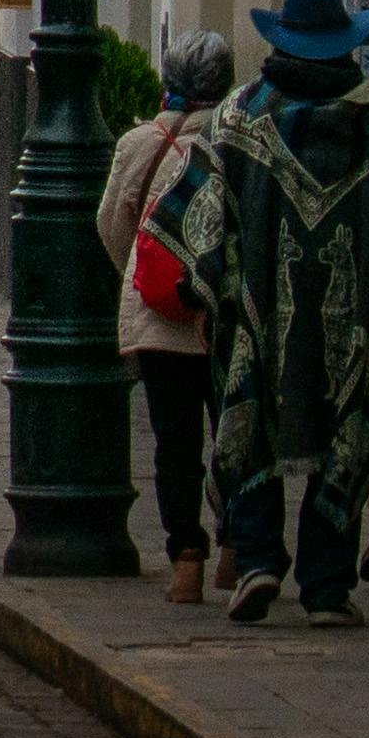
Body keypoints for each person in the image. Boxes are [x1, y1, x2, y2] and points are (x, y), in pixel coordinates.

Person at [146, 0, 369, 629]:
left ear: (280, 42)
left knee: (248, 419)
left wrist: (204, 290)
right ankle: (325, 588)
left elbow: (197, 214)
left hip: (260, 313)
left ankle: (258, 560)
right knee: (349, 436)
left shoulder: (239, 117)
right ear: (342, 44)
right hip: (357, 319)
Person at [100, 30, 234, 603]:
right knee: (237, 434)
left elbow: (112, 223)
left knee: (175, 444)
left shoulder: (140, 143)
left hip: (160, 322)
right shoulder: (240, 140)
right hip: (228, 316)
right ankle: (236, 548)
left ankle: (186, 560)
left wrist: (145, 275)